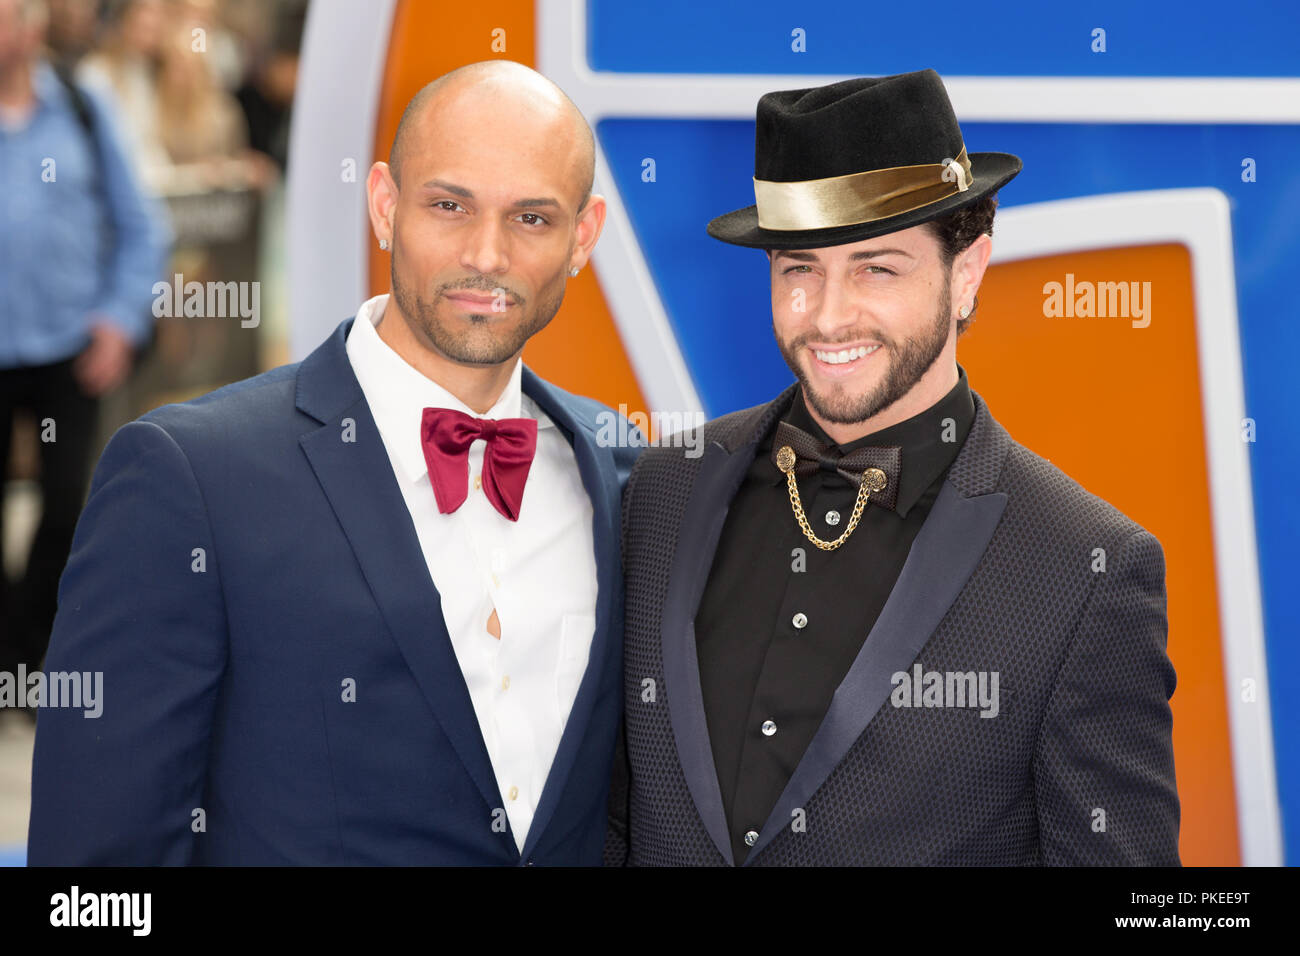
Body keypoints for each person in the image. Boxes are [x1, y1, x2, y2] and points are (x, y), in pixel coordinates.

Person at [29, 60, 636, 865]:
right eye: (449, 205)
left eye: (531, 218)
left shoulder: (629, 474)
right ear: (384, 205)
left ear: (582, 238)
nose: (486, 255)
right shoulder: (192, 477)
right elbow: (94, 880)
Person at [608, 69, 1180, 866]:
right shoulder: (660, 493)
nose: (830, 314)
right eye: (798, 269)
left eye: (877, 267)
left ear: (967, 271)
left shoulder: (1085, 569)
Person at [0, 0, 169, 688]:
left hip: (68, 351)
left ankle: (35, 659)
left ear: (32, 30)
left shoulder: (82, 106)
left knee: (68, 503)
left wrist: (119, 320)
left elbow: (143, 226)